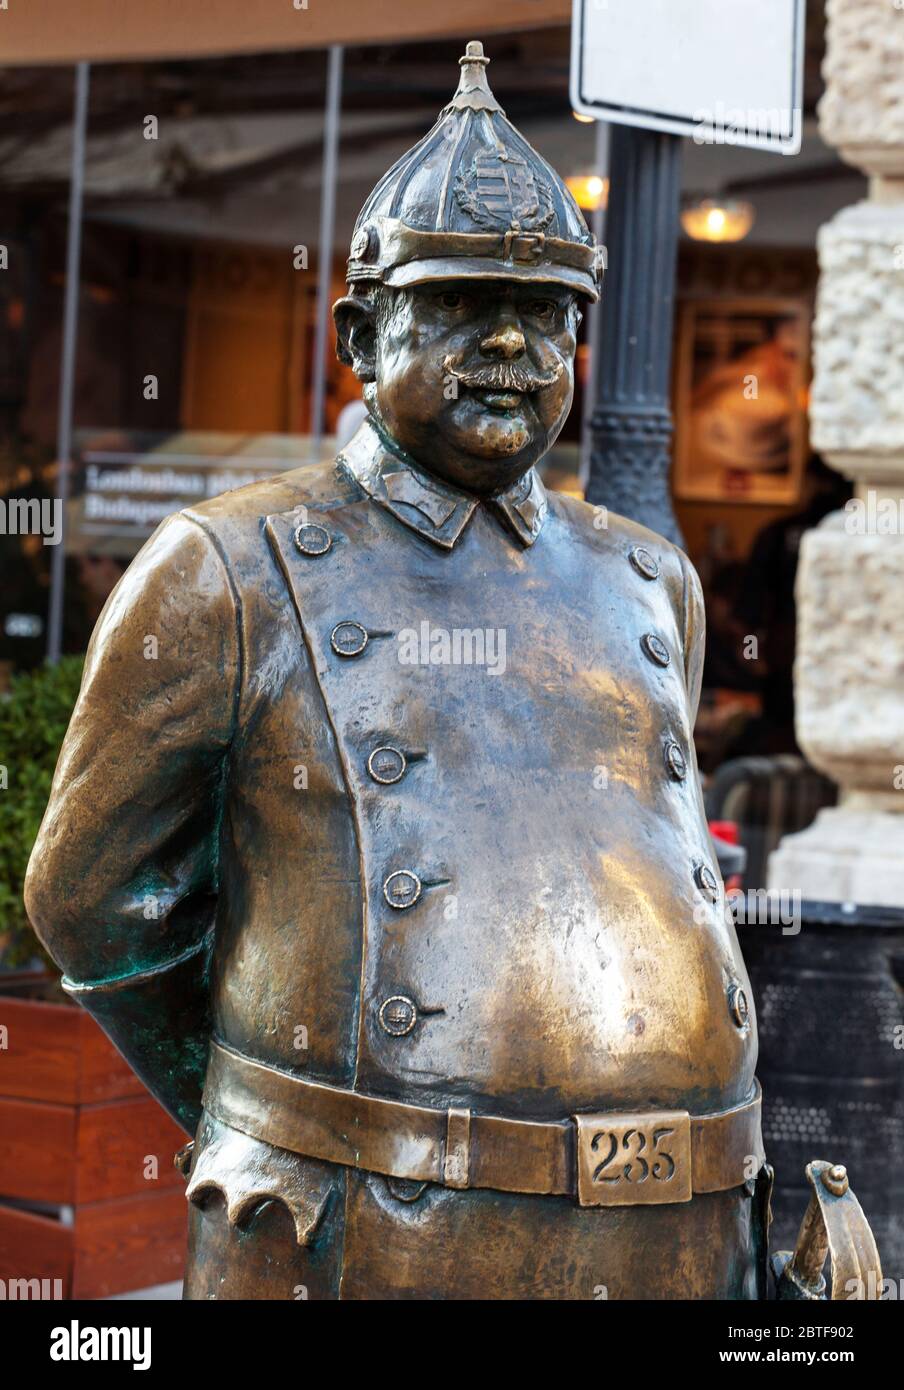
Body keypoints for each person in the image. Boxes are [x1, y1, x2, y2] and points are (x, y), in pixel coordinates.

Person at [26, 43, 768, 1300]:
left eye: (546, 317)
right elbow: (94, 902)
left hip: (682, 1235)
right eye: (464, 305)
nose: (510, 347)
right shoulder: (229, 566)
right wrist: (280, 1116)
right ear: (362, 333)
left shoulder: (645, 576)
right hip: (364, 1234)